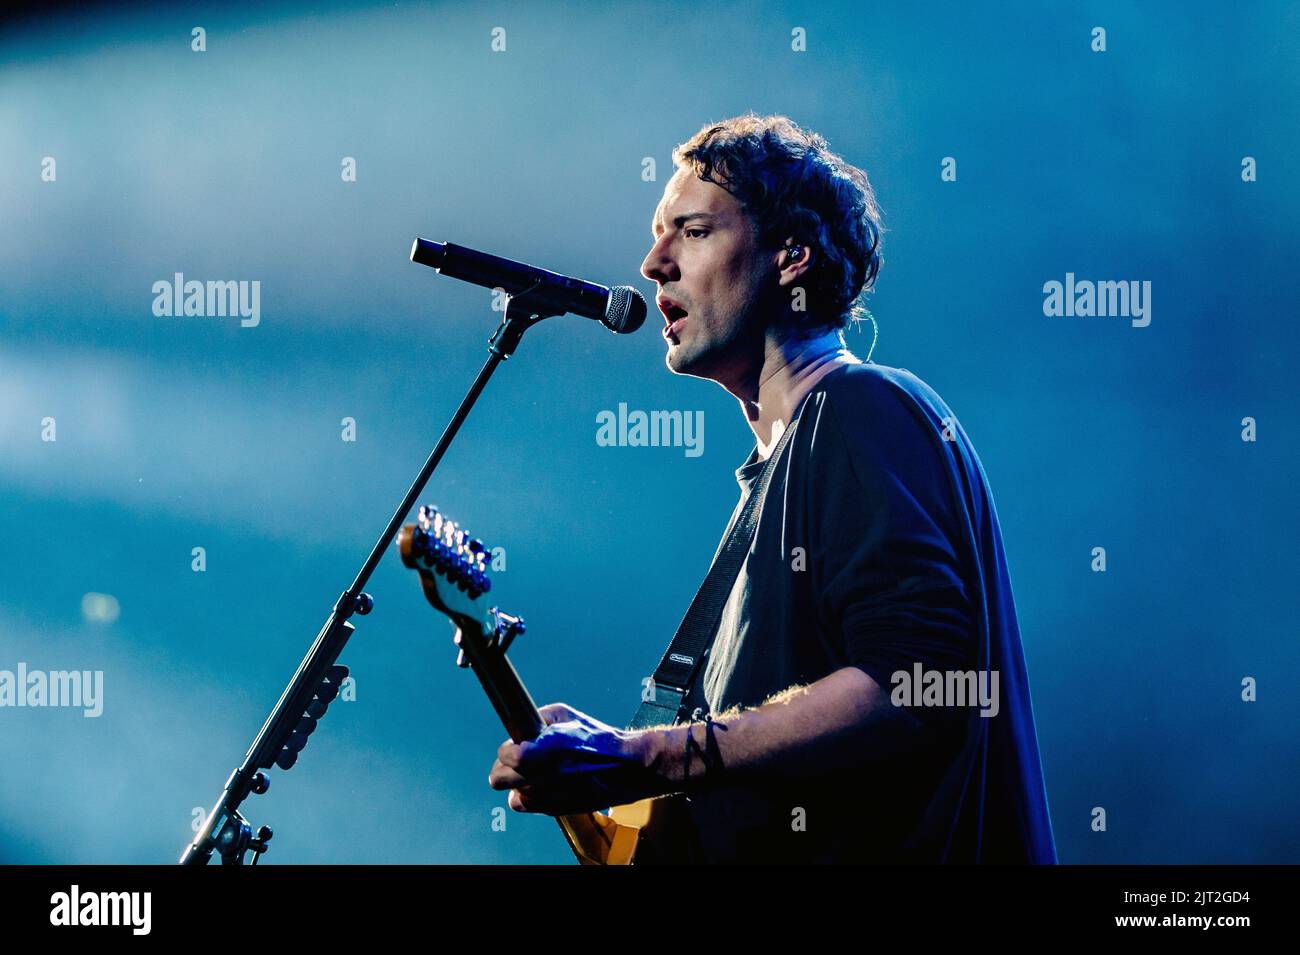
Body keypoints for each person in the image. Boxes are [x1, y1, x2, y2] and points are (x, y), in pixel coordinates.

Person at [489, 113, 1057, 864]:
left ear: (791, 255)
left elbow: (923, 683)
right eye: (659, 234)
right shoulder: (778, 477)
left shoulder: (861, 410)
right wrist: (615, 762)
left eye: (691, 231)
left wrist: (650, 755)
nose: (654, 262)